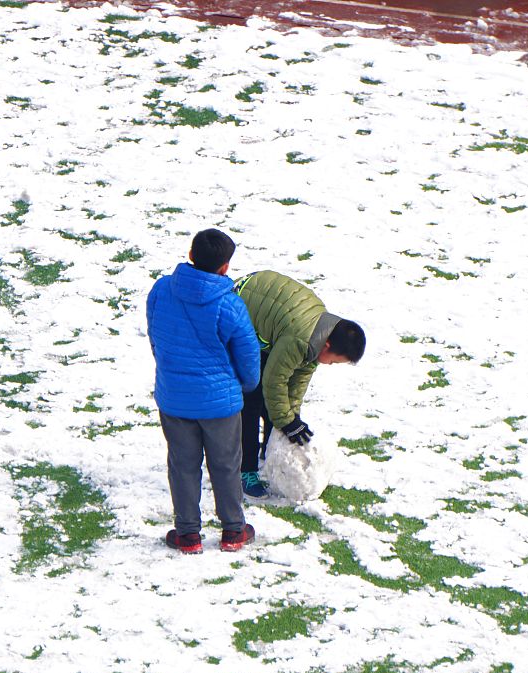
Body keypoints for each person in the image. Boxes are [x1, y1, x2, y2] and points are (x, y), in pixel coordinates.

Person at [146, 229, 262, 553]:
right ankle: (233, 531)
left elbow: (156, 336)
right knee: (225, 465)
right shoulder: (229, 305)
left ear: (191, 255)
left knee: (183, 465)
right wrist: (244, 386)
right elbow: (248, 356)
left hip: (175, 398)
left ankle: (187, 535)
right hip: (220, 405)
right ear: (224, 267)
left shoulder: (161, 291)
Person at [233, 270, 366, 498]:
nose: (331, 365)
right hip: (241, 312)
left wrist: (292, 418)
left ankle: (268, 450)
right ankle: (246, 471)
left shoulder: (321, 335)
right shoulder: (300, 339)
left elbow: (297, 380)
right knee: (252, 399)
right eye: (334, 361)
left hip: (272, 321)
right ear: (327, 347)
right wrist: (286, 421)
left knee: (273, 403)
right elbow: (274, 382)